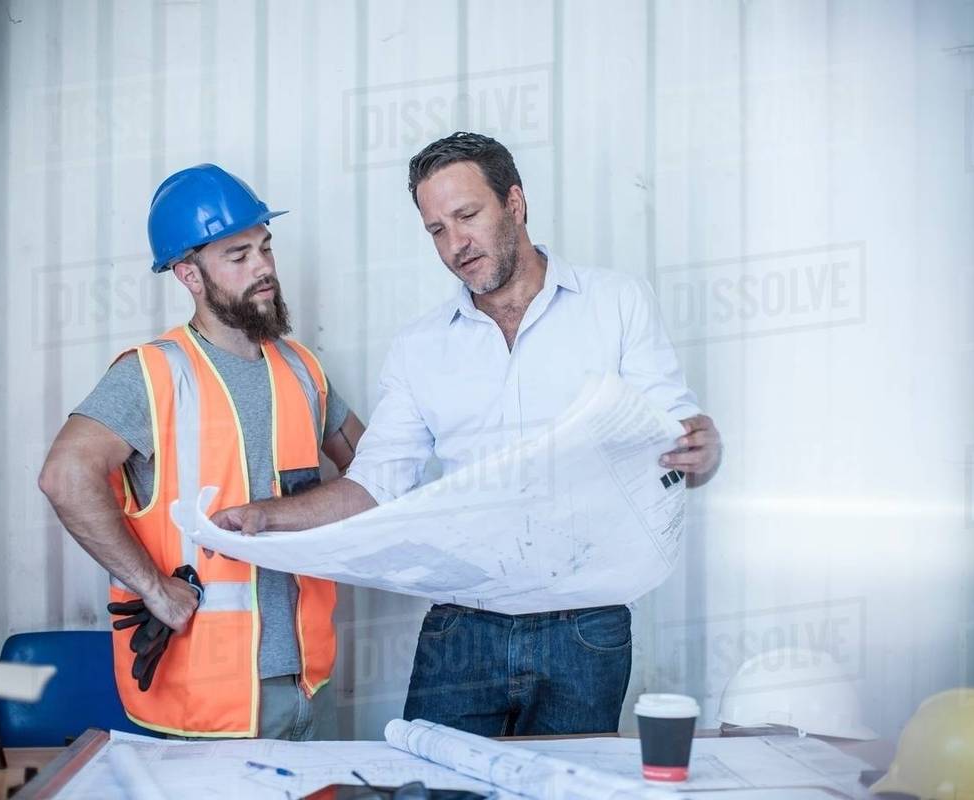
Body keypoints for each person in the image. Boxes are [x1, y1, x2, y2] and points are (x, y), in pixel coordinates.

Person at [209, 133, 722, 736]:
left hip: (586, 627)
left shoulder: (617, 304)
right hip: (463, 628)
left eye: (467, 216)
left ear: (515, 203)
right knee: (431, 779)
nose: (455, 244)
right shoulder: (420, 347)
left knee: (565, 783)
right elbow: (373, 485)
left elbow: (674, 446)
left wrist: (703, 451)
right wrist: (267, 518)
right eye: (436, 230)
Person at [38, 164, 364, 739]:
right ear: (189, 274)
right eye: (238, 256)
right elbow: (65, 476)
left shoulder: (302, 368)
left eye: (265, 248)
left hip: (311, 680)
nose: (263, 268)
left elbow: (374, 470)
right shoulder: (152, 374)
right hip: (209, 699)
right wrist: (151, 586)